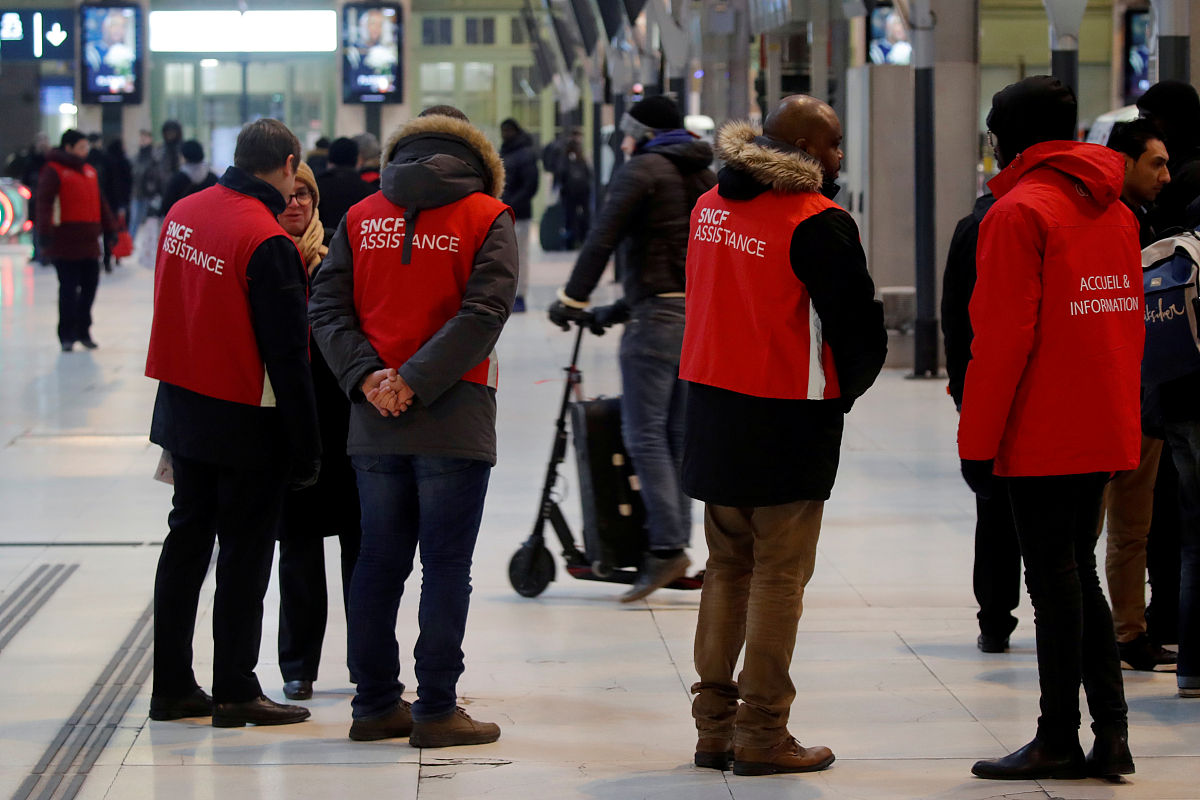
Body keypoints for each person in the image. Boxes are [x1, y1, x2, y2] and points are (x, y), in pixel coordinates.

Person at [682, 96, 886, 777]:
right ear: (800, 145)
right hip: (784, 417)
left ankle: (714, 728)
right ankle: (763, 732)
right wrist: (838, 396)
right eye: (830, 145)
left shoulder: (711, 206)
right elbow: (861, 332)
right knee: (778, 575)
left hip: (712, 410)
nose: (837, 158)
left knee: (726, 567)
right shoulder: (817, 222)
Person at [310, 105, 516, 747]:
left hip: (374, 420)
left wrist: (371, 378)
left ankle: (373, 706)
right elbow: (485, 311)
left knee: (377, 561)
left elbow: (325, 305)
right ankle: (434, 709)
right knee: (446, 564)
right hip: (454, 415)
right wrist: (416, 380)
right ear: (478, 157)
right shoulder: (488, 216)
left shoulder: (360, 216)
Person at [960, 76, 1142, 780]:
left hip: (1040, 429)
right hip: (1100, 421)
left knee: (1053, 582)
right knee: (1079, 577)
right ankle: (1114, 735)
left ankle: (1057, 737)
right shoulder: (1115, 210)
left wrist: (978, 444)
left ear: (1009, 136)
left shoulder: (1017, 213)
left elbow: (1000, 342)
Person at [145, 118, 320, 729]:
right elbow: (288, 356)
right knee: (245, 556)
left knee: (187, 542)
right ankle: (236, 690)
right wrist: (307, 446)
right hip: (246, 419)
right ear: (289, 163)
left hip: (183, 406)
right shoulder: (265, 238)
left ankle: (171, 686)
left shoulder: (183, 214)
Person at [548, 94, 715, 602]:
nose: (622, 142)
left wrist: (571, 299)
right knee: (677, 434)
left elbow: (603, 238)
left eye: (626, 132)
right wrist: (612, 312)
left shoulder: (642, 169)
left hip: (656, 323)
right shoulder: (703, 176)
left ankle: (665, 547)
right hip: (697, 317)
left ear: (641, 133)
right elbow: (679, 258)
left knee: (643, 434)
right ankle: (677, 542)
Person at [272, 162, 361, 702]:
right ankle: (298, 664)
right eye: (288, 193)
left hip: (346, 418)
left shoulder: (337, 253)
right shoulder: (262, 255)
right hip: (291, 424)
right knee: (299, 551)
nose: (297, 203)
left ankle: (364, 660)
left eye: (305, 194)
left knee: (361, 547)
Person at [1095, 119, 1177, 673]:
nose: (1166, 176)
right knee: (1090, 530)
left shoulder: (1145, 222)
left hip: (1140, 398)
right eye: (1156, 163)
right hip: (1099, 398)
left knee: (1134, 527)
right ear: (1122, 162)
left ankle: (1129, 632)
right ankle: (1092, 633)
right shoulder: (1099, 223)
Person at [940, 189, 1021, 654]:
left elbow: (955, 314)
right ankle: (1002, 617)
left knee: (995, 508)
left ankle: (994, 619)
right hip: (1022, 387)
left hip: (985, 384)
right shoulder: (987, 222)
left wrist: (962, 387)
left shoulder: (978, 221)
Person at [35, 129, 119, 351]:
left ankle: (84, 330)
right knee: (68, 290)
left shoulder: (89, 171)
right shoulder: (53, 171)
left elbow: (101, 203)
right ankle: (67, 335)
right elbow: (44, 204)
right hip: (65, 242)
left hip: (90, 242)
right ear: (68, 147)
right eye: (81, 147)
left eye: (86, 147)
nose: (85, 151)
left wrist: (110, 229)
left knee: (90, 287)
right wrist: (44, 233)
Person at [1135, 80, 1200, 234]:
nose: (1143, 126)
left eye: (1147, 117)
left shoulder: (1192, 173)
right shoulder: (1176, 162)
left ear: (1174, 120)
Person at [499, 118, 539, 312]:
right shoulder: (505, 151)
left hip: (519, 215)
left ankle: (519, 296)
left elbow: (531, 185)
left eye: (508, 130)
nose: (505, 134)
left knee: (519, 256)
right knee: (506, 258)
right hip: (503, 213)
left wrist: (512, 204)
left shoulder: (525, 154)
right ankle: (508, 296)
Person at [316, 136, 374, 238]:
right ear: (356, 161)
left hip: (321, 246)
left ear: (329, 160)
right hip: (355, 247)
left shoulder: (316, 188)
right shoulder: (369, 191)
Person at [160, 140, 218, 217]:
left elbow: (166, 205)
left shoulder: (178, 179)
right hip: (207, 220)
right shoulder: (212, 178)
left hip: (183, 221)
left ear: (184, 157)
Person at [555, 132, 591, 249]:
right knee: (584, 216)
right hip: (582, 193)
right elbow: (589, 174)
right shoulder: (582, 159)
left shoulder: (564, 159)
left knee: (569, 218)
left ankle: (570, 242)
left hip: (569, 194)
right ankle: (582, 239)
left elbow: (560, 174)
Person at [130, 130, 159, 239]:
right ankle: (131, 242)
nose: (142, 141)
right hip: (137, 192)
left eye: (144, 138)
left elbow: (155, 175)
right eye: (141, 138)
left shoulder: (153, 156)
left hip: (148, 193)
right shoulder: (138, 156)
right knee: (135, 220)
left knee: (147, 221)